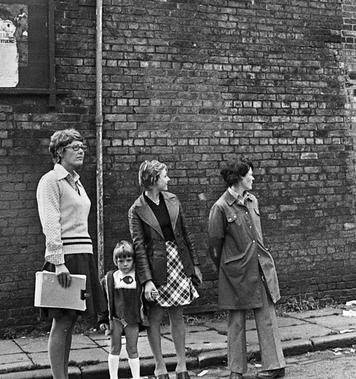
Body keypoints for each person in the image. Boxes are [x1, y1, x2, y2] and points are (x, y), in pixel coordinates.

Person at [205, 160, 284, 379]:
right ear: (239, 178)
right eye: (250, 174)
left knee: (267, 316)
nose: (253, 178)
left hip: (259, 267)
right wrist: (230, 265)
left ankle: (275, 365)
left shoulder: (252, 200)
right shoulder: (220, 207)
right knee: (236, 321)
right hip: (235, 273)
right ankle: (236, 371)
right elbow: (214, 245)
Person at [37, 128, 105, 379]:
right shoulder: (50, 181)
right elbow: (51, 223)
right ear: (59, 152)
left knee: (71, 321)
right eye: (74, 147)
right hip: (66, 258)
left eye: (82, 147)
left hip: (82, 255)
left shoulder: (76, 182)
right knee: (62, 321)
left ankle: (63, 375)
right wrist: (58, 262)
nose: (81, 151)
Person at [128, 159, 202, 379]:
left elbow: (186, 234)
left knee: (177, 313)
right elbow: (138, 247)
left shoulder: (173, 200)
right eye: (164, 176)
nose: (168, 179)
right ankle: (159, 366)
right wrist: (147, 280)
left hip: (178, 261)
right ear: (153, 180)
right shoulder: (137, 209)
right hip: (156, 266)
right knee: (155, 316)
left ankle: (181, 365)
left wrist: (194, 264)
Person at [103, 242, 144, 379]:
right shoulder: (111, 277)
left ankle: (136, 377)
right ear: (115, 261)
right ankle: (113, 377)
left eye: (128, 260)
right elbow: (104, 300)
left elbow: (144, 298)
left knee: (132, 349)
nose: (125, 264)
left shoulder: (139, 277)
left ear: (133, 260)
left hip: (132, 319)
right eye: (121, 261)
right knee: (114, 348)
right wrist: (103, 319)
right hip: (116, 319)